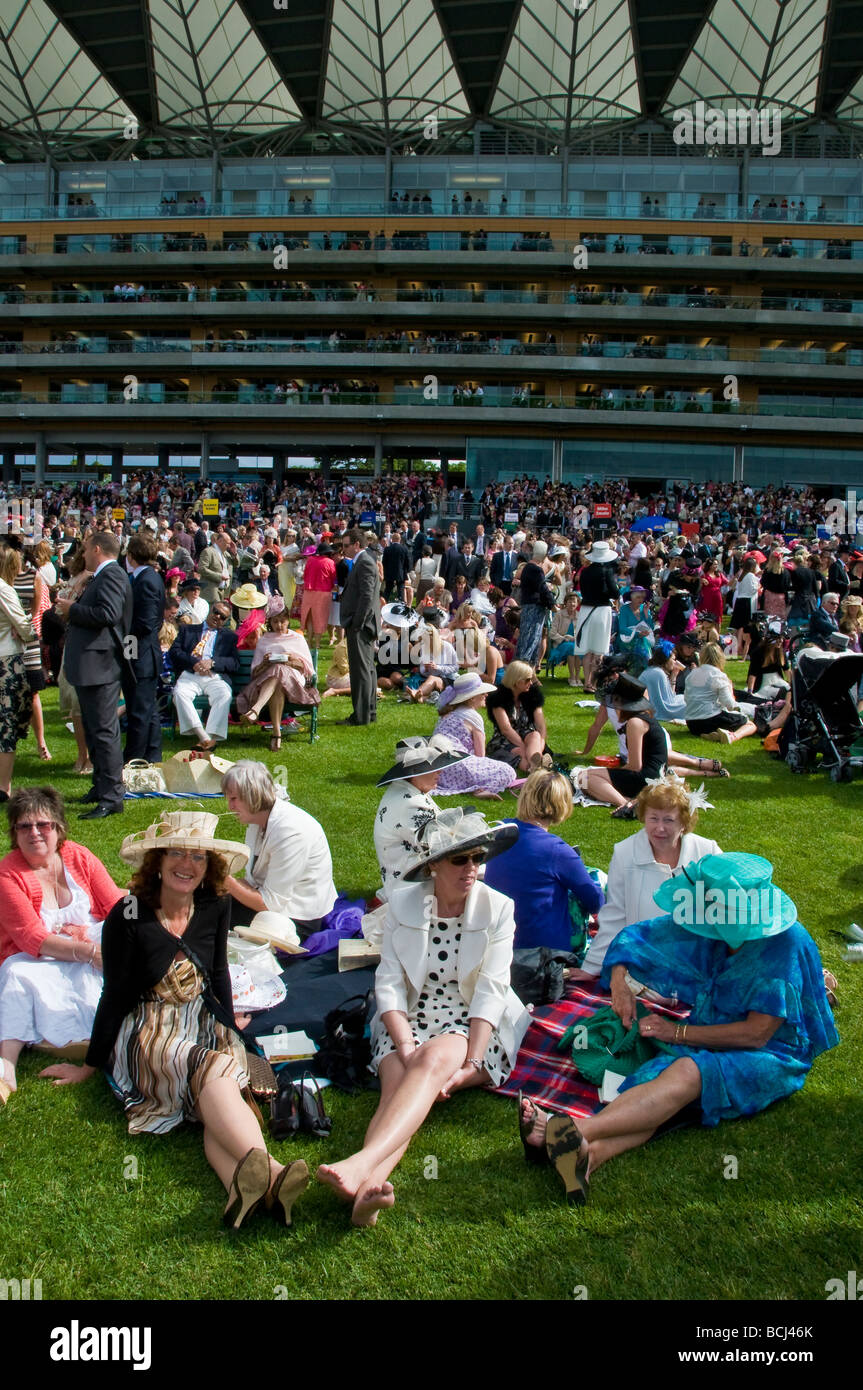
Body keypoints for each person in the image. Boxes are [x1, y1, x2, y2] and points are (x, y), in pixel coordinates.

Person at [519, 854, 838, 1204]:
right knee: (662, 1086)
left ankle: (576, 1129)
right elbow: (638, 937)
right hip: (710, 1028)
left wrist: (677, 1034)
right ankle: (587, 1157)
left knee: (685, 1071)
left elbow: (756, 1034)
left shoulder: (786, 943)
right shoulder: (709, 916)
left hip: (772, 1054)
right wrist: (620, 981)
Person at [84, 812, 309, 1229]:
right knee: (216, 1070)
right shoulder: (128, 913)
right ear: (157, 861)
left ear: (210, 866)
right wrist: (90, 1063)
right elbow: (114, 993)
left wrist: (229, 1025)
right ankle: (276, 1172)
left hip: (203, 1019)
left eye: (198, 857)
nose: (187, 865)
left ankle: (242, 1189)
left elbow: (219, 972)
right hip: (148, 1028)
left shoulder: (216, 904)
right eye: (176, 853)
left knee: (217, 1099)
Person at [316, 810, 529, 1226]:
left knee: (429, 1064)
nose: (471, 869)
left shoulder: (499, 908)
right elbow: (390, 983)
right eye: (459, 860)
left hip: (470, 1020)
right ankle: (368, 1190)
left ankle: (362, 1165)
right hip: (409, 1015)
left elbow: (490, 990)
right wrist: (405, 1043)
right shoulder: (404, 902)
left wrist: (472, 1063)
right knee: (398, 1078)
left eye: (477, 858)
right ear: (433, 865)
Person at [0, 787, 125, 1104]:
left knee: (123, 946)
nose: (34, 833)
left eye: (43, 824)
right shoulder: (7, 874)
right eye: (24, 826)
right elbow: (32, 937)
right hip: (39, 956)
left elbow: (114, 905)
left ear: (58, 828)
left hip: (88, 941)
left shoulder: (79, 856)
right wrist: (90, 953)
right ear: (14, 833)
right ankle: (6, 1064)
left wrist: (147, 909)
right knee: (17, 975)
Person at [576, 776, 720, 982]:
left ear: (684, 823)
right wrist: (591, 967)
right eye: (653, 818)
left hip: (697, 960)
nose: (659, 828)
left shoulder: (708, 852)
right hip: (644, 960)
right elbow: (615, 914)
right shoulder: (625, 852)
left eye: (668, 820)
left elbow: (727, 909)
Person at [55, 530, 133, 821]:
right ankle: (101, 787)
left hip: (100, 665)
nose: (83, 554)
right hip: (92, 665)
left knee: (104, 732)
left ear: (98, 549)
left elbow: (107, 614)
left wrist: (73, 609)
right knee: (94, 728)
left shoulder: (111, 575)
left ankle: (112, 796)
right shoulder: (103, 576)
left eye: (87, 549)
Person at [484, 770, 604, 950]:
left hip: (494, 942)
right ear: (562, 803)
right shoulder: (557, 851)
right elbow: (596, 902)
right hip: (542, 953)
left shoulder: (497, 833)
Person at [578, 679, 728, 817]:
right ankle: (630, 800)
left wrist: (610, 773)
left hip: (646, 779)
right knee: (587, 778)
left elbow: (635, 766)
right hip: (656, 775)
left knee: (582, 777)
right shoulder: (644, 717)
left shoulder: (634, 723)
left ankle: (625, 803)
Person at [221, 761, 337, 938]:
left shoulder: (291, 832)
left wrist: (225, 880)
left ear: (252, 796)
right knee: (208, 902)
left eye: (234, 799)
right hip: (272, 905)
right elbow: (252, 881)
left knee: (213, 918)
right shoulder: (257, 821)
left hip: (297, 920)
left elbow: (271, 904)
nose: (230, 807)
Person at [372, 735, 466, 899]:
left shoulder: (405, 790)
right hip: (412, 890)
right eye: (433, 767)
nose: (439, 771)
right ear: (414, 773)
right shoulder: (411, 804)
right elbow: (441, 847)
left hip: (405, 879)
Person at [236, 599, 319, 751]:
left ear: (288, 620)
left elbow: (308, 669)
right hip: (268, 684)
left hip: (294, 684)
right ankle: (276, 734)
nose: (279, 625)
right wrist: (265, 664)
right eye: (275, 622)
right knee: (277, 679)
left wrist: (292, 660)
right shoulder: (264, 640)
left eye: (282, 621)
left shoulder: (297, 638)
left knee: (280, 669)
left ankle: (256, 710)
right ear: (270, 622)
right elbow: (255, 673)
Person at [432, 672, 517, 798]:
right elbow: (480, 755)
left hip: (438, 770)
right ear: (472, 698)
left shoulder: (447, 713)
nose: (486, 695)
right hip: (457, 764)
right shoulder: (473, 716)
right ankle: (480, 789)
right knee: (508, 771)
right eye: (482, 693)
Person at [123, 531, 166, 764]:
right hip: (140, 652)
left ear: (131, 556)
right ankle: (151, 753)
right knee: (146, 709)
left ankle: (134, 757)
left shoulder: (147, 580)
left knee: (139, 710)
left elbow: (147, 623)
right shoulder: (145, 577)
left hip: (143, 655)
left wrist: (122, 628)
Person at [0, 545, 34, 799]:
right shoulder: (4, 589)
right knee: (6, 725)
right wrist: (28, 629)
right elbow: (24, 627)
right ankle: (3, 787)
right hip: (5, 663)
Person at [338, 529, 381, 725]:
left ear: (357, 545)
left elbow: (366, 596)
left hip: (361, 625)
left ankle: (361, 715)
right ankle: (368, 712)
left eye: (346, 545)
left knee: (361, 671)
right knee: (367, 670)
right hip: (363, 624)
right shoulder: (363, 561)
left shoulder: (364, 562)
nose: (343, 549)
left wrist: (357, 623)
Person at [684, 643, 758, 744]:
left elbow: (687, 698)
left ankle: (712, 735)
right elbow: (729, 704)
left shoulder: (692, 674)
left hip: (692, 723)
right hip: (709, 719)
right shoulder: (717, 675)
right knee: (750, 725)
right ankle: (733, 737)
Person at [486, 660, 551, 772]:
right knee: (519, 752)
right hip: (504, 739)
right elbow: (506, 729)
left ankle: (536, 765)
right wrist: (524, 747)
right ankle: (537, 769)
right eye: (527, 680)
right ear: (516, 681)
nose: (531, 683)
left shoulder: (533, 696)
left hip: (527, 734)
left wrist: (541, 744)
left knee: (535, 735)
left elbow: (541, 727)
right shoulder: (498, 699)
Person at [574, 540, 620, 692]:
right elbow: (615, 593)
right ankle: (593, 683)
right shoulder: (606, 572)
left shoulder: (585, 571)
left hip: (586, 610)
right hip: (601, 610)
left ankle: (587, 682)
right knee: (598, 649)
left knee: (587, 649)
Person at [514, 541, 556, 666]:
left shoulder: (527, 567)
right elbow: (542, 588)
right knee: (531, 640)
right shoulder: (536, 569)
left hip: (528, 606)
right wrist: (552, 605)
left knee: (528, 639)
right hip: (535, 608)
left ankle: (528, 674)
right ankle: (523, 671)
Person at [300, 543, 336, 649]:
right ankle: (317, 644)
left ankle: (310, 641)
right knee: (320, 618)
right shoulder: (330, 562)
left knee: (310, 618)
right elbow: (333, 577)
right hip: (323, 593)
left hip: (309, 591)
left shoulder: (310, 560)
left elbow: (305, 575)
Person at [548, 592, 581, 685]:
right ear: (565, 603)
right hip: (561, 644)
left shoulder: (580, 616)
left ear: (577, 603)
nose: (572, 604)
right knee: (571, 648)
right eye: (569, 601)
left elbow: (582, 633)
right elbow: (552, 633)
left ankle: (578, 677)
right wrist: (564, 638)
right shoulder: (559, 614)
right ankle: (572, 677)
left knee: (577, 648)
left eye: (574, 602)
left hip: (575, 643)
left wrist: (575, 638)